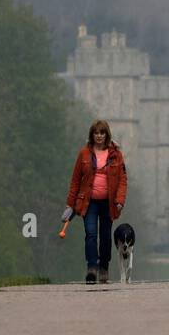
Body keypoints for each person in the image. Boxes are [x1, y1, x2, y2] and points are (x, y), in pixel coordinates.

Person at [62, 120, 128, 284]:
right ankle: (92, 268)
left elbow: (122, 180)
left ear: (107, 135)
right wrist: (70, 205)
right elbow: (76, 180)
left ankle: (104, 267)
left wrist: (120, 200)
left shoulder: (116, 155)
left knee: (105, 237)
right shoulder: (84, 154)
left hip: (108, 203)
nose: (99, 136)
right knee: (91, 235)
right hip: (88, 202)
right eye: (96, 133)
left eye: (102, 133)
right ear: (92, 135)